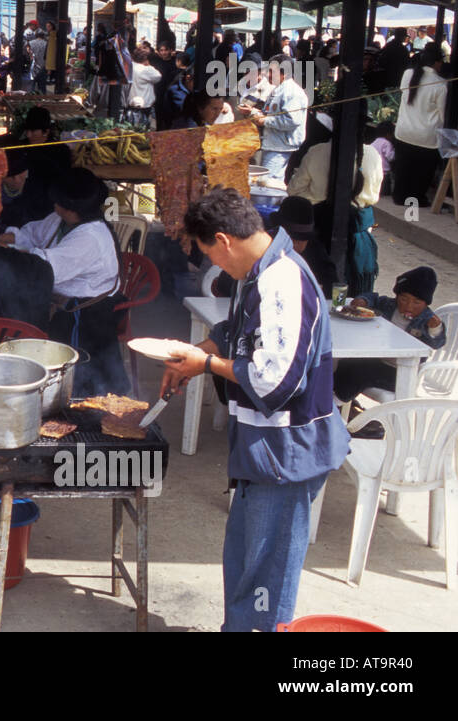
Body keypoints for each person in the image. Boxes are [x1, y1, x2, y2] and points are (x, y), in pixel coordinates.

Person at [162, 187, 349, 632]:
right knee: (246, 561)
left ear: (224, 240)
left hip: (287, 452)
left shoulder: (282, 279)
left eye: (212, 255)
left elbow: (276, 380)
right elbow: (244, 328)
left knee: (267, 574)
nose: (216, 266)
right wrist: (204, 347)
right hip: (260, 450)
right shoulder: (258, 271)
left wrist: (204, 364)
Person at [0, 167, 128, 395]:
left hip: (86, 314)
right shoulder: (59, 219)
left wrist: (4, 255)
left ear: (70, 208)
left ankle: (78, 399)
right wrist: (2, 239)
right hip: (62, 302)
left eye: (57, 201)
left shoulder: (91, 237)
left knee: (80, 378)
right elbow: (32, 234)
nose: (53, 204)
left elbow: (46, 266)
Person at [334, 267, 448, 423]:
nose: (409, 306)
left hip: (401, 372)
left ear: (426, 304)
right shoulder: (389, 305)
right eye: (404, 299)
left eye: (417, 302)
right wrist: (363, 300)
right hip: (379, 361)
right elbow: (373, 297)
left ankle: (333, 405)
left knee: (361, 370)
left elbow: (438, 342)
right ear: (397, 296)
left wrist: (435, 328)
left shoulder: (426, 319)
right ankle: (333, 400)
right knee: (346, 362)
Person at [391, 42, 446, 206]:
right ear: (438, 62)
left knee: (403, 168)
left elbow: (403, 92)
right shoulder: (441, 84)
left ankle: (399, 196)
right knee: (422, 172)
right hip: (426, 137)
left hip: (404, 131)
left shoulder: (408, 74)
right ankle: (415, 199)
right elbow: (442, 114)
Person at [245, 55, 306, 179]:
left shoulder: (292, 92)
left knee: (266, 182)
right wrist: (254, 112)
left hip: (280, 146)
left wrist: (265, 121)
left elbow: (292, 120)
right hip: (273, 143)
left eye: (272, 71)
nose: (268, 75)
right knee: (269, 182)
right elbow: (270, 113)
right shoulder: (278, 90)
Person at [125, 47, 162, 128]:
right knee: (142, 129)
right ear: (146, 59)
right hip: (144, 106)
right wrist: (149, 65)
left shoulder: (130, 66)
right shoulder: (146, 70)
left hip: (130, 103)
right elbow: (158, 76)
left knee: (129, 128)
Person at [377, 27, 412, 94]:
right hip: (396, 79)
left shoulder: (388, 46)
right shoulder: (403, 49)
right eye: (404, 36)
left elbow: (381, 61)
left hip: (386, 77)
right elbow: (407, 64)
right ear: (401, 36)